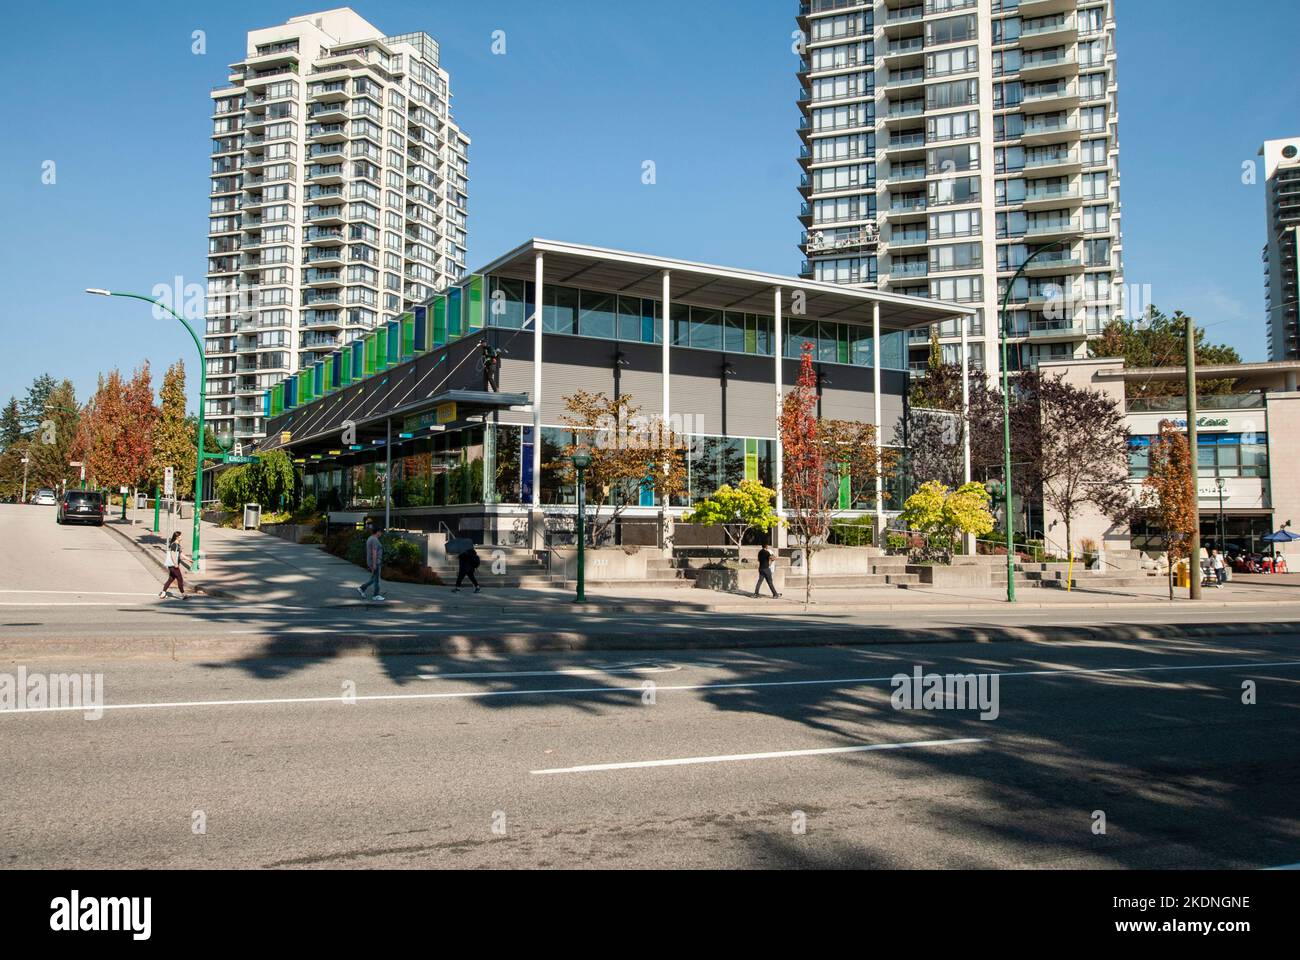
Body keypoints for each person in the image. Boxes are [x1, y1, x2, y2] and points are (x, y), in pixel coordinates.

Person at [357, 523, 386, 602]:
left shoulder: (370, 538)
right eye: (381, 532)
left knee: (374, 578)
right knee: (375, 579)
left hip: (373, 561)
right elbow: (374, 552)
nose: (381, 534)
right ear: (378, 532)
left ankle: (364, 589)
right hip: (375, 562)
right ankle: (374, 594)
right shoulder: (374, 539)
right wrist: (374, 564)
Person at [159, 531, 188, 600]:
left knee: (170, 579)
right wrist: (175, 563)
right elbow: (172, 554)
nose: (181, 537)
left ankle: (163, 593)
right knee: (180, 579)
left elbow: (180, 555)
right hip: (173, 565)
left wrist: (189, 560)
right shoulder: (174, 545)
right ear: (177, 537)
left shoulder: (178, 545)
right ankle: (183, 594)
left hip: (173, 565)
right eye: (180, 536)